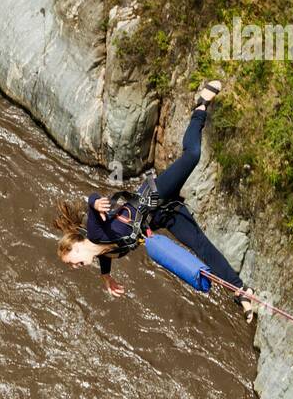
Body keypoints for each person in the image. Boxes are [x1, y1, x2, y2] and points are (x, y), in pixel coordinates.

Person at [53, 80, 255, 321]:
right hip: (164, 215)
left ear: (76, 246)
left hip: (154, 194)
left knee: (192, 155)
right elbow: (105, 259)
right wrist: (106, 277)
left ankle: (200, 106)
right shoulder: (105, 254)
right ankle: (240, 291)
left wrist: (96, 203)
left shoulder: (96, 234)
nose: (76, 267)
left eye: (72, 262)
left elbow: (91, 202)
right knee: (201, 246)